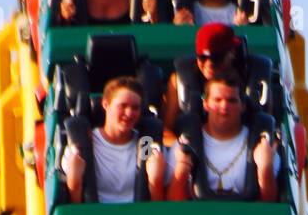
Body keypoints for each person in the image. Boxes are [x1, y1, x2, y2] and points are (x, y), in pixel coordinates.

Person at [166, 71, 279, 200]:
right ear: (206, 104)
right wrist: (182, 168)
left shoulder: (262, 144)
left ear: (242, 106)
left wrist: (265, 169)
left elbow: (269, 204)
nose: (224, 106)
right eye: (217, 100)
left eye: (232, 101)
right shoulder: (185, 143)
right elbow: (172, 203)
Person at [62, 75, 166, 204]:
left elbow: (158, 207)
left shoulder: (147, 144)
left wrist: (156, 181)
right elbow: (75, 211)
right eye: (123, 106)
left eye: (135, 108)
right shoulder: (82, 146)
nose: (129, 113)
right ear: (106, 104)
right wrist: (74, 181)